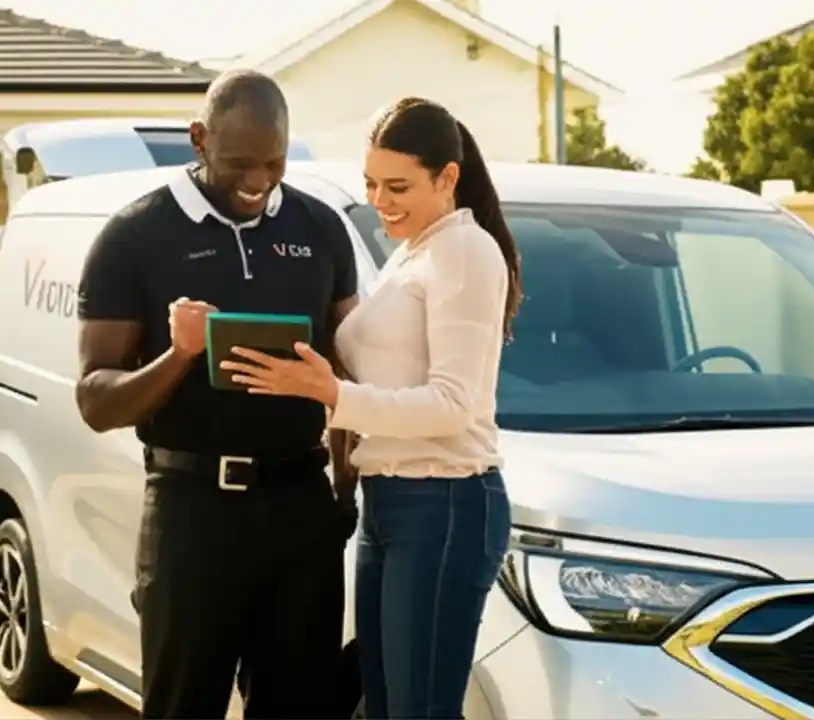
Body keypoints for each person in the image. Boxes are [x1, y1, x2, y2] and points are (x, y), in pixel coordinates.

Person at [221, 96, 522, 719]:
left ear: (448, 178)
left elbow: (454, 405)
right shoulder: (412, 251)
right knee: (384, 708)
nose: (381, 200)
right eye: (371, 184)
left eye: (399, 185)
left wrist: (331, 394)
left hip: (443, 503)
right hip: (389, 502)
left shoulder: (464, 252)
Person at [73, 68, 360, 719]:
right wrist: (178, 355)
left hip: (300, 509)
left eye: (274, 163)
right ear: (198, 140)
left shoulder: (321, 230)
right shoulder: (135, 237)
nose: (258, 180)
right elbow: (95, 399)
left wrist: (342, 498)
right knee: (183, 707)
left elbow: (349, 372)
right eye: (239, 163)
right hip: (191, 514)